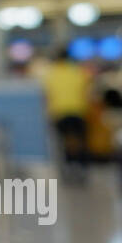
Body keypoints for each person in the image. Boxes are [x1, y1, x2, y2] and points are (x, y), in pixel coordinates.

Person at [41, 47, 92, 184]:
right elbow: (86, 90)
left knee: (63, 143)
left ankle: (67, 169)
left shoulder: (51, 73)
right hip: (78, 110)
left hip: (59, 112)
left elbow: (46, 95)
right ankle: (82, 168)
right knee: (80, 142)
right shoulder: (78, 71)